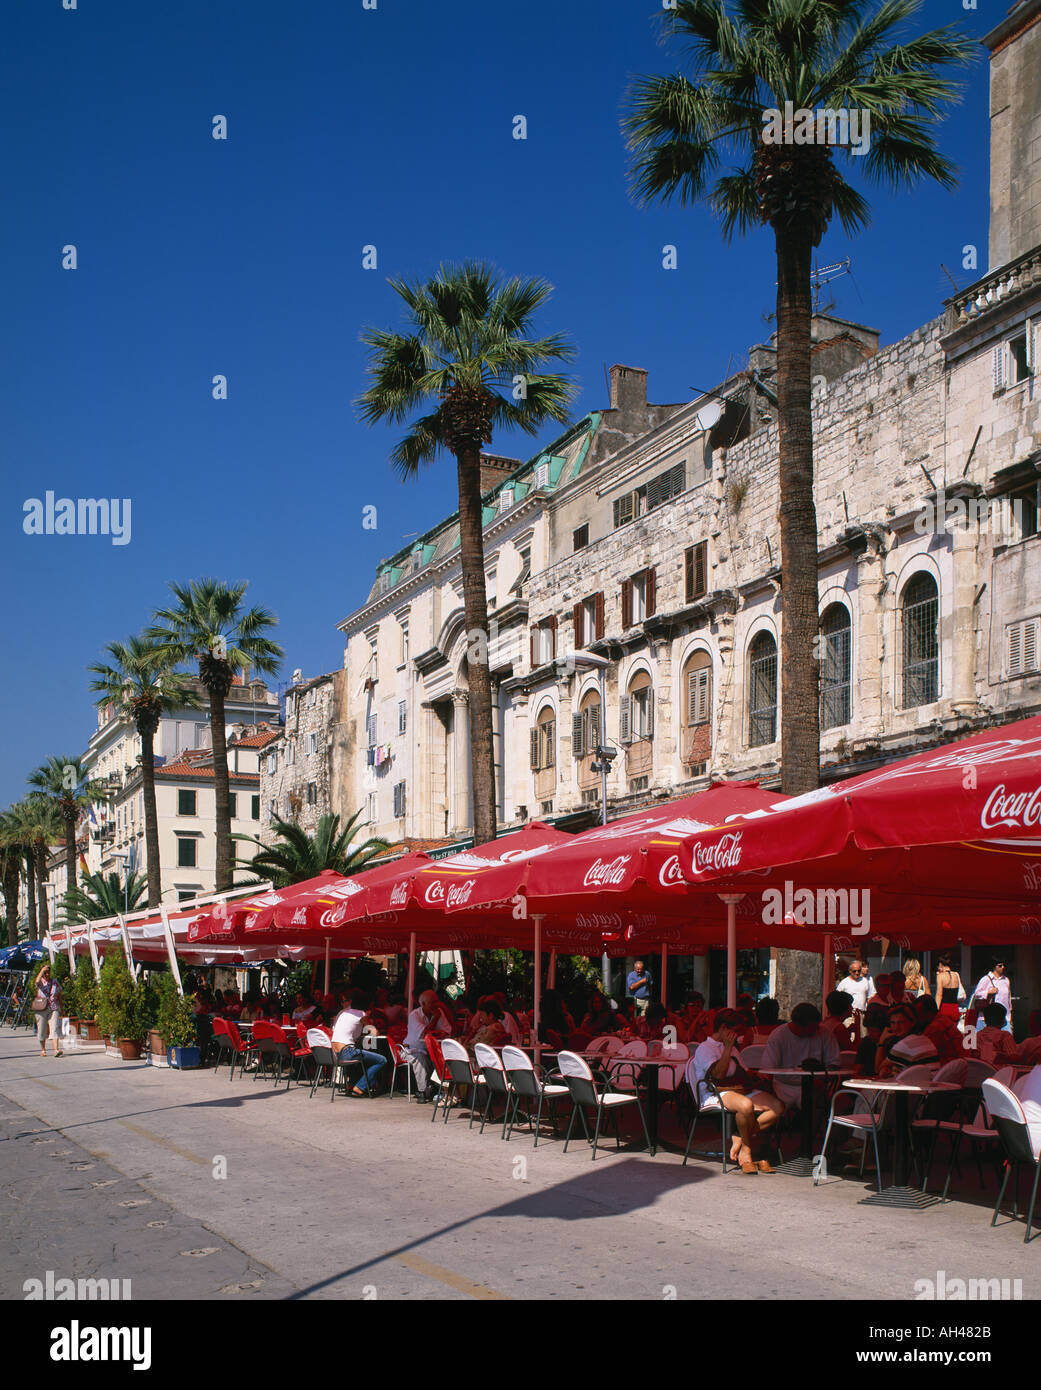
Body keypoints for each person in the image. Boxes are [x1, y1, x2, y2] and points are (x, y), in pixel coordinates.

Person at [690, 1009, 784, 1174]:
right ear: (725, 1028)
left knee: (777, 1106)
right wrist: (726, 1048)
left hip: (737, 1089)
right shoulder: (705, 1048)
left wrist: (758, 1075)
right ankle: (746, 1151)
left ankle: (739, 1136)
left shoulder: (733, 1048)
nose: (739, 1035)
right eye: (736, 1031)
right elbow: (718, 1074)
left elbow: (744, 1070)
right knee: (745, 1106)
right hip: (714, 1093)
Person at [760, 1002, 841, 1106]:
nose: (817, 1029)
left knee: (815, 1107)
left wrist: (823, 1079)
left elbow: (834, 1062)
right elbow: (768, 1069)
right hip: (782, 1086)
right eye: (813, 1027)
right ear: (798, 1025)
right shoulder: (778, 1035)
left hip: (814, 1085)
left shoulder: (824, 1033)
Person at [330, 991, 388, 1095]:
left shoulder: (344, 1013)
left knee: (362, 1057)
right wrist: (368, 1017)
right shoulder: (361, 1014)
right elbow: (374, 1032)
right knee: (381, 1060)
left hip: (335, 1054)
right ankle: (360, 1087)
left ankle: (351, 1084)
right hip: (347, 1051)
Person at [403, 989, 452, 1102]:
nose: (436, 1005)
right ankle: (423, 1091)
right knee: (420, 1059)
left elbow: (446, 1031)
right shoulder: (414, 1015)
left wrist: (435, 1027)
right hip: (411, 1049)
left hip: (433, 1049)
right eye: (433, 1002)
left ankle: (445, 1091)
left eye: (437, 1001)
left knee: (445, 1059)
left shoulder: (438, 1012)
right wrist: (435, 1019)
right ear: (423, 1004)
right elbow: (425, 1034)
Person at [915, 996, 962, 1064]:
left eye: (919, 1014)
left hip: (951, 1067)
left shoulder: (935, 1027)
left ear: (928, 1013)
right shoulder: (942, 1019)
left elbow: (920, 1052)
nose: (917, 1018)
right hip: (958, 1063)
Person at [972, 960, 1013, 1032]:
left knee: (1006, 1040)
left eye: (1003, 965)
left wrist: (1010, 1017)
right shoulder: (986, 979)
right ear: (994, 967)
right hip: (986, 1018)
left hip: (1004, 1018)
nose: (1003, 967)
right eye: (1000, 966)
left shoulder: (1006, 980)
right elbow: (976, 994)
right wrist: (988, 992)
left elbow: (1008, 999)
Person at [33, 964, 63, 1059]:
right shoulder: (40, 982)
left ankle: (56, 1050)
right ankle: (43, 1049)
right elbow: (36, 981)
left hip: (53, 1008)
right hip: (41, 1008)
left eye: (48, 972)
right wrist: (42, 970)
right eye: (45, 973)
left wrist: (61, 1006)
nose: (46, 974)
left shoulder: (55, 982)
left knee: (54, 1028)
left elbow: (59, 994)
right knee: (41, 1030)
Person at [854, 1003, 890, 1076]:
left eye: (874, 1031)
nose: (870, 1034)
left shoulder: (892, 1044)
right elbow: (857, 1070)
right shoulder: (866, 1042)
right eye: (868, 1030)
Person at [934, 955, 965, 1020]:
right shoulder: (956, 975)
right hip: (954, 1008)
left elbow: (939, 995)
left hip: (944, 1008)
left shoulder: (940, 976)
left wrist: (935, 1011)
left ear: (940, 965)